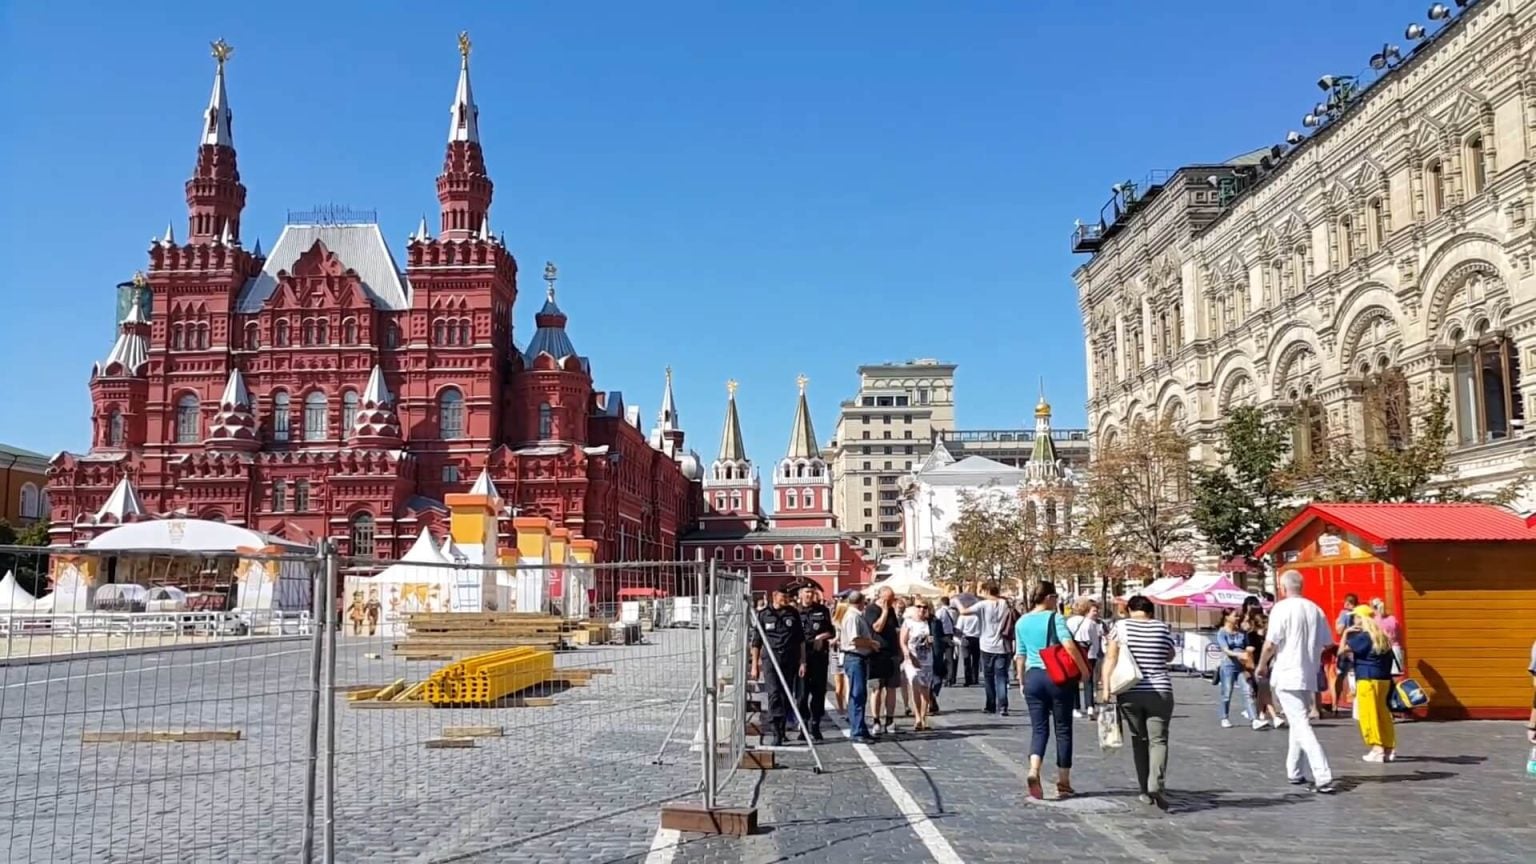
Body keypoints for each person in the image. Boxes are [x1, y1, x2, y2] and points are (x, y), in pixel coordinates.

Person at [1258, 571, 1336, 793]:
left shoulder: (1281, 609)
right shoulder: (1315, 609)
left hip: (1287, 672)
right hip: (1307, 673)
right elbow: (1326, 643)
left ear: (1282, 588)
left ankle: (1322, 775)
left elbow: (1271, 643)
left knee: (1301, 725)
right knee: (1297, 720)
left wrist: (1262, 664)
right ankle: (1294, 770)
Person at [1013, 580, 1089, 800]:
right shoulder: (1054, 618)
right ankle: (1063, 782)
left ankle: (1033, 770)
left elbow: (1020, 654)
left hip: (1033, 677)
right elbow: (1069, 645)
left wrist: (1021, 680)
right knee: (1063, 729)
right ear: (1048, 598)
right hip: (1056, 677)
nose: (1057, 601)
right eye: (1055, 597)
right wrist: (1084, 670)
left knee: (1039, 729)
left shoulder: (1022, 622)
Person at [1100, 594, 1177, 810]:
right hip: (1160, 690)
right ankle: (1156, 784)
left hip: (1129, 691)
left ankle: (1144, 789)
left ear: (1129, 609)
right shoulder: (1161, 628)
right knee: (1159, 740)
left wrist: (1106, 688)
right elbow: (1169, 655)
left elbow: (1111, 658)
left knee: (1139, 739)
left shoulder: (1120, 627)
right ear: (1150, 611)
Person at [750, 587, 807, 747]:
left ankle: (782, 729)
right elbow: (756, 642)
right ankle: (776, 732)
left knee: (786, 695)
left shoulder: (793, 614)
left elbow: (801, 640)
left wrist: (803, 661)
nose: (786, 599)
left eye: (788, 596)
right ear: (774, 595)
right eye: (784, 596)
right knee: (774, 694)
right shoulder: (763, 614)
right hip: (770, 659)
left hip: (789, 659)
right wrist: (755, 665)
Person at [1342, 604, 1397, 762]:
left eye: (1355, 617)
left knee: (1368, 715)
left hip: (1367, 678)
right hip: (1383, 679)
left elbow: (1341, 651)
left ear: (1361, 619)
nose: (1353, 620)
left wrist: (1346, 633)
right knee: (1383, 714)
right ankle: (1389, 747)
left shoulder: (1363, 637)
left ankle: (1376, 748)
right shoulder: (1382, 636)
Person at [959, 582, 1014, 715]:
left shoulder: (983, 604)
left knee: (989, 677)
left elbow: (963, 612)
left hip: (986, 645)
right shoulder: (1005, 604)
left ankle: (990, 705)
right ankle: (1003, 706)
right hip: (1002, 645)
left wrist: (957, 602)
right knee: (1001, 677)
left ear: (986, 591)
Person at [838, 591, 881, 743]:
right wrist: (872, 643)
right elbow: (854, 640)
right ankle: (857, 731)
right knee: (857, 694)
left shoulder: (856, 615)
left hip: (860, 658)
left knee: (860, 695)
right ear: (861, 601)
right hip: (855, 657)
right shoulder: (853, 616)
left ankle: (861, 728)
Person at [796, 585, 836, 742]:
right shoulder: (795, 611)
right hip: (802, 658)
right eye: (806, 592)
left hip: (819, 657)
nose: (809, 595)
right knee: (801, 694)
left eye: (812, 593)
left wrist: (821, 637)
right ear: (800, 595)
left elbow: (831, 631)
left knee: (819, 692)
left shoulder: (822, 610)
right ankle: (803, 725)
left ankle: (815, 724)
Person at [863, 586, 902, 736]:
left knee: (891, 688)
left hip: (892, 653)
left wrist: (899, 650)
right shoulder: (872, 610)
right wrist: (885, 611)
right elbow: (877, 628)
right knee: (876, 688)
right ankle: (876, 720)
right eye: (888, 599)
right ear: (881, 597)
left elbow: (895, 631)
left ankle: (890, 719)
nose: (891, 601)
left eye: (892, 598)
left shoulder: (892, 610)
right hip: (877, 654)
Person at [1215, 608, 1257, 729]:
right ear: (1227, 617)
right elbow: (1226, 650)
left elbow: (1247, 645)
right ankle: (1224, 717)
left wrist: (1249, 649)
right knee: (1227, 692)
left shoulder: (1241, 632)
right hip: (1228, 665)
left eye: (1239, 616)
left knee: (1247, 691)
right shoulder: (1222, 632)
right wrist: (1239, 654)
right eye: (1235, 616)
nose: (1238, 618)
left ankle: (1254, 719)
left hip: (1242, 666)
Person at [901, 601, 937, 731]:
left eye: (924, 607)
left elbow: (935, 639)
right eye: (919, 606)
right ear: (914, 608)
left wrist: (931, 641)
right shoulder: (908, 622)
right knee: (915, 685)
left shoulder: (930, 623)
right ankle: (917, 718)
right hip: (912, 660)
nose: (921, 609)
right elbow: (903, 642)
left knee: (925, 691)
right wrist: (908, 655)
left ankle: (923, 718)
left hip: (927, 660)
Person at [1066, 598, 1104, 719]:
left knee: (1074, 681)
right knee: (1088, 680)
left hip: (1074, 653)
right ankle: (1090, 706)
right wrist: (1097, 652)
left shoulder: (1069, 622)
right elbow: (1095, 641)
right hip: (1090, 654)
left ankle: (1075, 707)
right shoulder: (1091, 623)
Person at [928, 597, 951, 713]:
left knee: (938, 679)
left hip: (937, 653)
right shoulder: (918, 622)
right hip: (924, 654)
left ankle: (932, 695)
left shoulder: (936, 622)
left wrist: (947, 641)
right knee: (926, 679)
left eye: (926, 608)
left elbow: (941, 635)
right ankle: (929, 701)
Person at [1370, 597, 1404, 673]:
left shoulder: (1375, 621)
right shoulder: (1393, 618)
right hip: (1396, 649)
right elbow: (1399, 635)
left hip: (1383, 652)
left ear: (1374, 608)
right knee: (1397, 677)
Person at [957, 594, 982, 686]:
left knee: (966, 660)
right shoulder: (977, 616)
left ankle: (968, 680)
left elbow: (958, 629)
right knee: (976, 660)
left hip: (966, 638)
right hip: (976, 638)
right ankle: (975, 678)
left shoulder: (962, 617)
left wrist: (958, 638)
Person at [831, 600, 851, 716]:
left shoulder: (848, 622)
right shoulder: (834, 623)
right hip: (836, 655)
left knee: (848, 684)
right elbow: (833, 637)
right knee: (839, 685)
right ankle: (840, 708)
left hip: (845, 653)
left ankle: (847, 707)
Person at [936, 596, 959, 687]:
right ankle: (951, 678)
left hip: (941, 636)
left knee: (940, 657)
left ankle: (942, 677)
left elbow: (936, 622)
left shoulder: (940, 611)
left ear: (941, 602)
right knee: (950, 658)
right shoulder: (955, 612)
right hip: (950, 635)